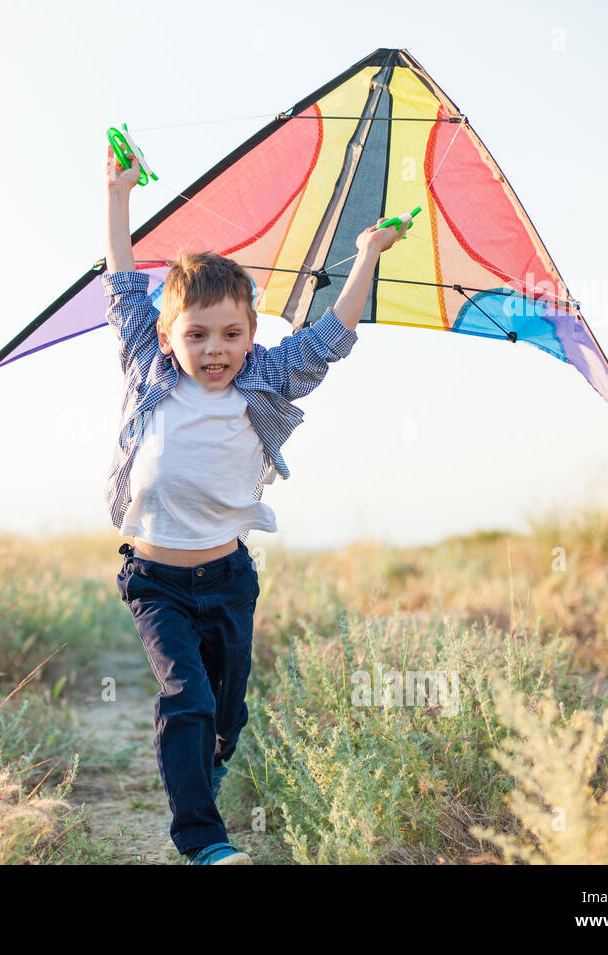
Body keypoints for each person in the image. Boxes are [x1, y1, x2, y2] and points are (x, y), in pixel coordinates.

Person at [103, 145, 409, 865]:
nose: (215, 349)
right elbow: (121, 284)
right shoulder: (149, 369)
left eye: (231, 333)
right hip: (156, 582)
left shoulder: (265, 379)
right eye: (197, 334)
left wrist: (366, 254)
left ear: (251, 328)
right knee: (189, 698)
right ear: (167, 336)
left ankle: (202, 772)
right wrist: (117, 197)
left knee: (226, 713)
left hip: (229, 579)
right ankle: (202, 838)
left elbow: (332, 337)